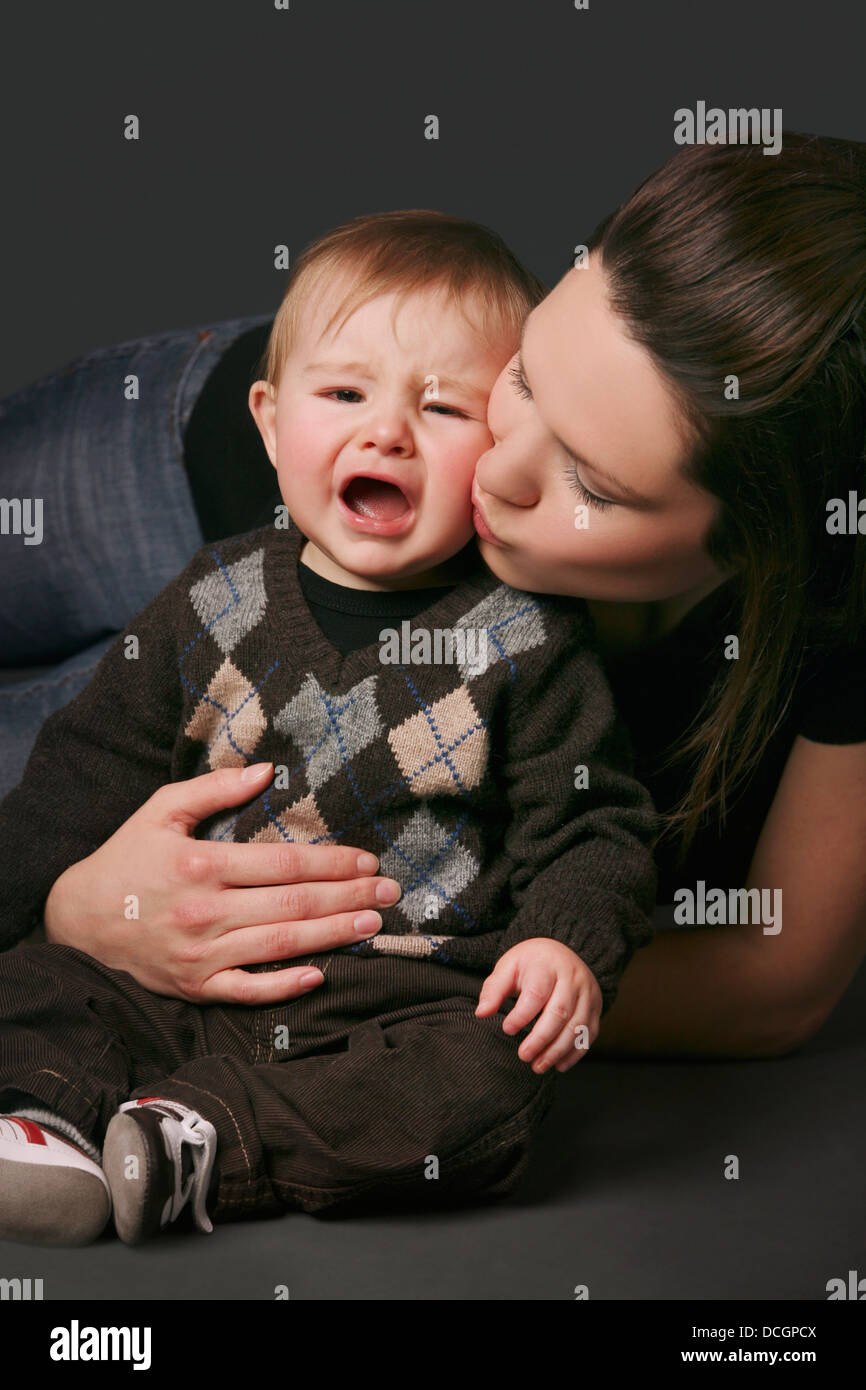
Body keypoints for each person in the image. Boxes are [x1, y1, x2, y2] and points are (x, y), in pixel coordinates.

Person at [1, 134, 863, 1086]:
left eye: (591, 480)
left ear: (755, 550)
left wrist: (379, 1003)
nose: (492, 467)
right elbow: (65, 801)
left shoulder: (833, 593)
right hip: (175, 467)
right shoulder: (325, 437)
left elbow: (769, 986)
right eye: (526, 377)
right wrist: (77, 916)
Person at [0, 211, 658, 1246]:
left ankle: (199, 1138)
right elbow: (77, 776)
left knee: (489, 1082)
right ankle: (47, 1111)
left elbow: (591, 825)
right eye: (344, 394)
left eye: (443, 407)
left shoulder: (525, 641)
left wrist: (559, 944)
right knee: (33, 972)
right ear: (268, 422)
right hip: (176, 976)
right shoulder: (209, 601)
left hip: (385, 1013)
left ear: (500, 449)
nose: (386, 431)